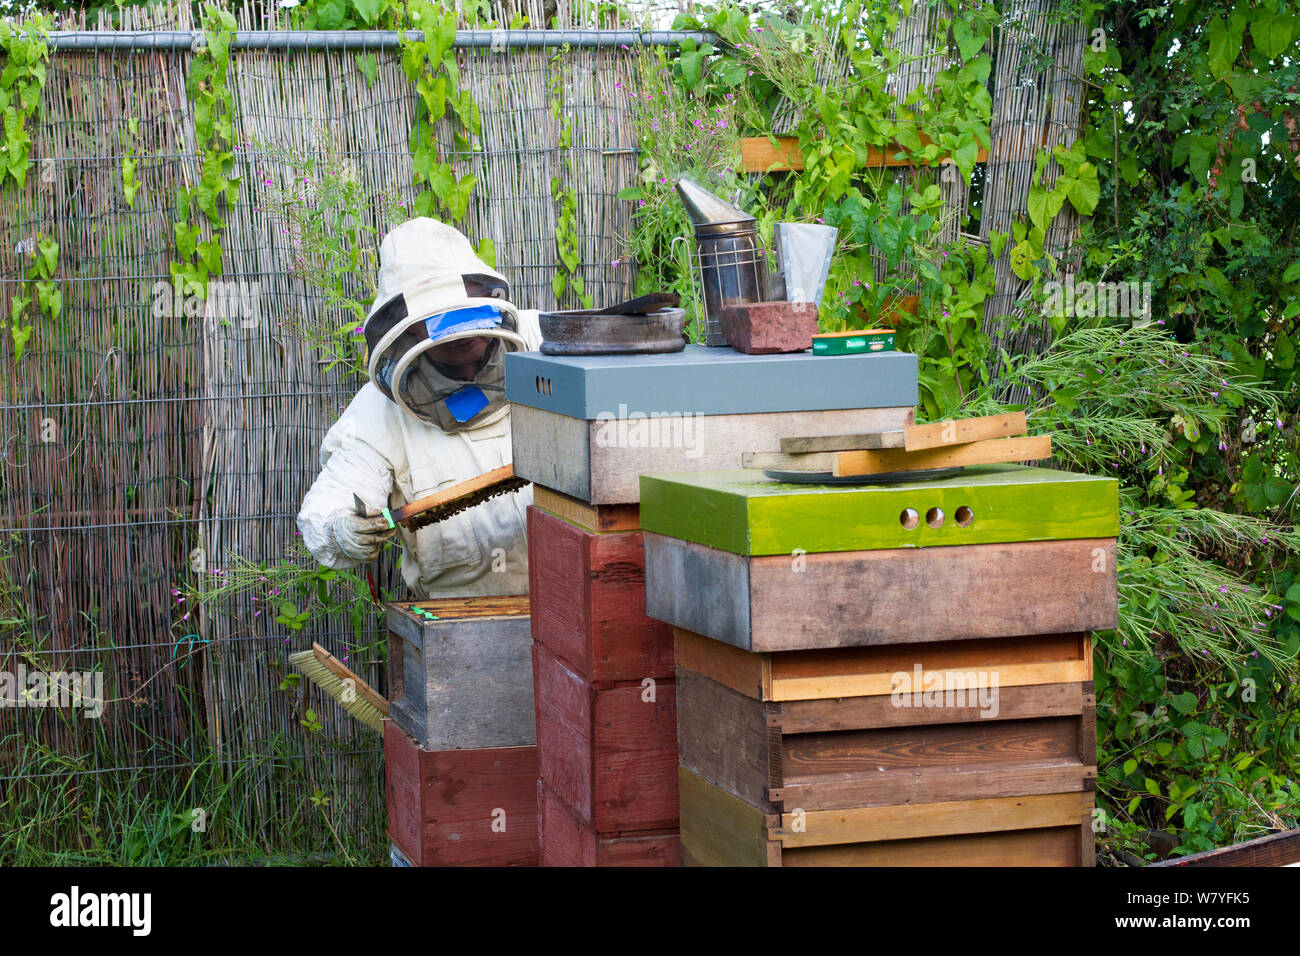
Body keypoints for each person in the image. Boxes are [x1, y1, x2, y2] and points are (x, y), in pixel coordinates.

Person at [297, 217, 540, 597]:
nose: (459, 331)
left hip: (578, 603)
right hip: (461, 622)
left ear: (481, 292)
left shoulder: (546, 346)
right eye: (436, 318)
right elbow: (332, 502)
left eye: (464, 308)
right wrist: (340, 529)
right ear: (406, 326)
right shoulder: (378, 415)